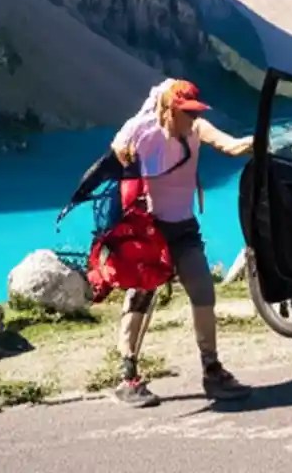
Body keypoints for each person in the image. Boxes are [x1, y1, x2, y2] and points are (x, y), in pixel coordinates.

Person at [108, 78, 254, 408]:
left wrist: (256, 142)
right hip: (150, 230)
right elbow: (118, 150)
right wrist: (126, 153)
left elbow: (231, 146)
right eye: (186, 112)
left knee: (204, 293)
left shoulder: (197, 129)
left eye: (194, 112)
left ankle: (212, 370)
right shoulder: (143, 130)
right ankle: (127, 375)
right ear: (170, 110)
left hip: (184, 228)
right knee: (140, 298)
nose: (192, 118)